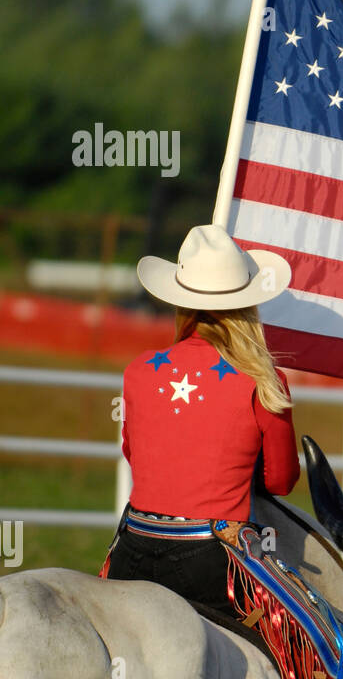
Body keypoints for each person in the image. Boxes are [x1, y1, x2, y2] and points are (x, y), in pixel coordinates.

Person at [102, 224, 300, 628]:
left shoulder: (139, 370)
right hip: (213, 563)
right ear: (248, 307)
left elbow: (135, 453)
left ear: (180, 301)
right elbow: (280, 480)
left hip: (133, 551)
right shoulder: (263, 380)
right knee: (310, 650)